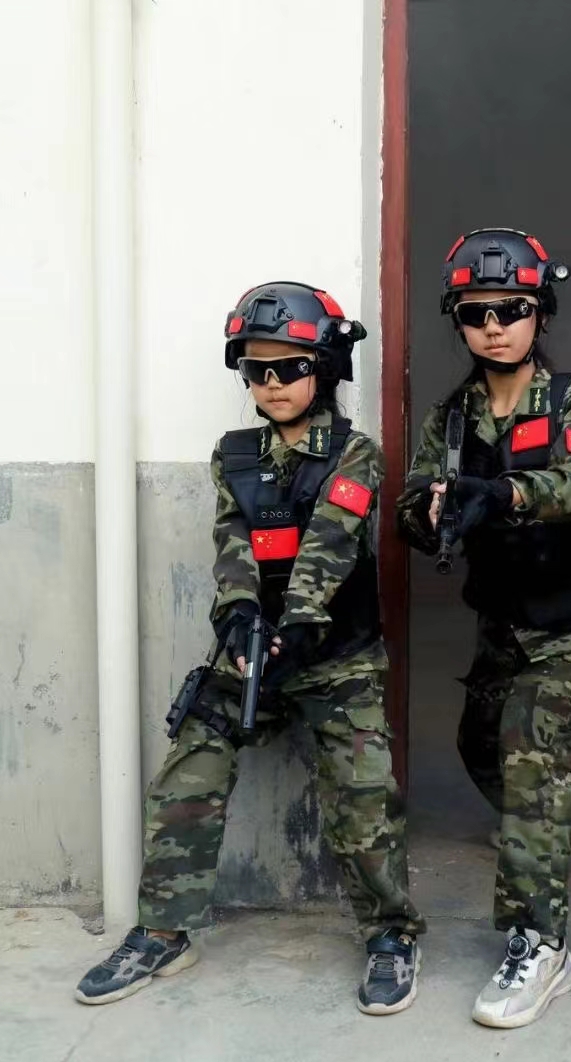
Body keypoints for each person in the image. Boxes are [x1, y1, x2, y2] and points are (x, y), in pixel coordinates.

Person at [74, 282, 424, 1016]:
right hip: (254, 652)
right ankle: (163, 931)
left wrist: (298, 625)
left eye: (290, 367)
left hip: (336, 656)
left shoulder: (355, 453)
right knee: (190, 767)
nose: (272, 383)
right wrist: (237, 616)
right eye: (256, 369)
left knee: (363, 795)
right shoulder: (234, 455)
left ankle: (391, 934)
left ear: (324, 369)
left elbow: (330, 547)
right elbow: (232, 543)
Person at [396, 228, 571, 1029]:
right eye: (476, 313)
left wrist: (507, 495)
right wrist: (431, 514)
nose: (494, 327)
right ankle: (551, 818)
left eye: (511, 310)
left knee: (530, 748)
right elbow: (414, 498)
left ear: (540, 315)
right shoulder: (452, 419)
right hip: (504, 618)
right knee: (479, 744)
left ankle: (540, 942)